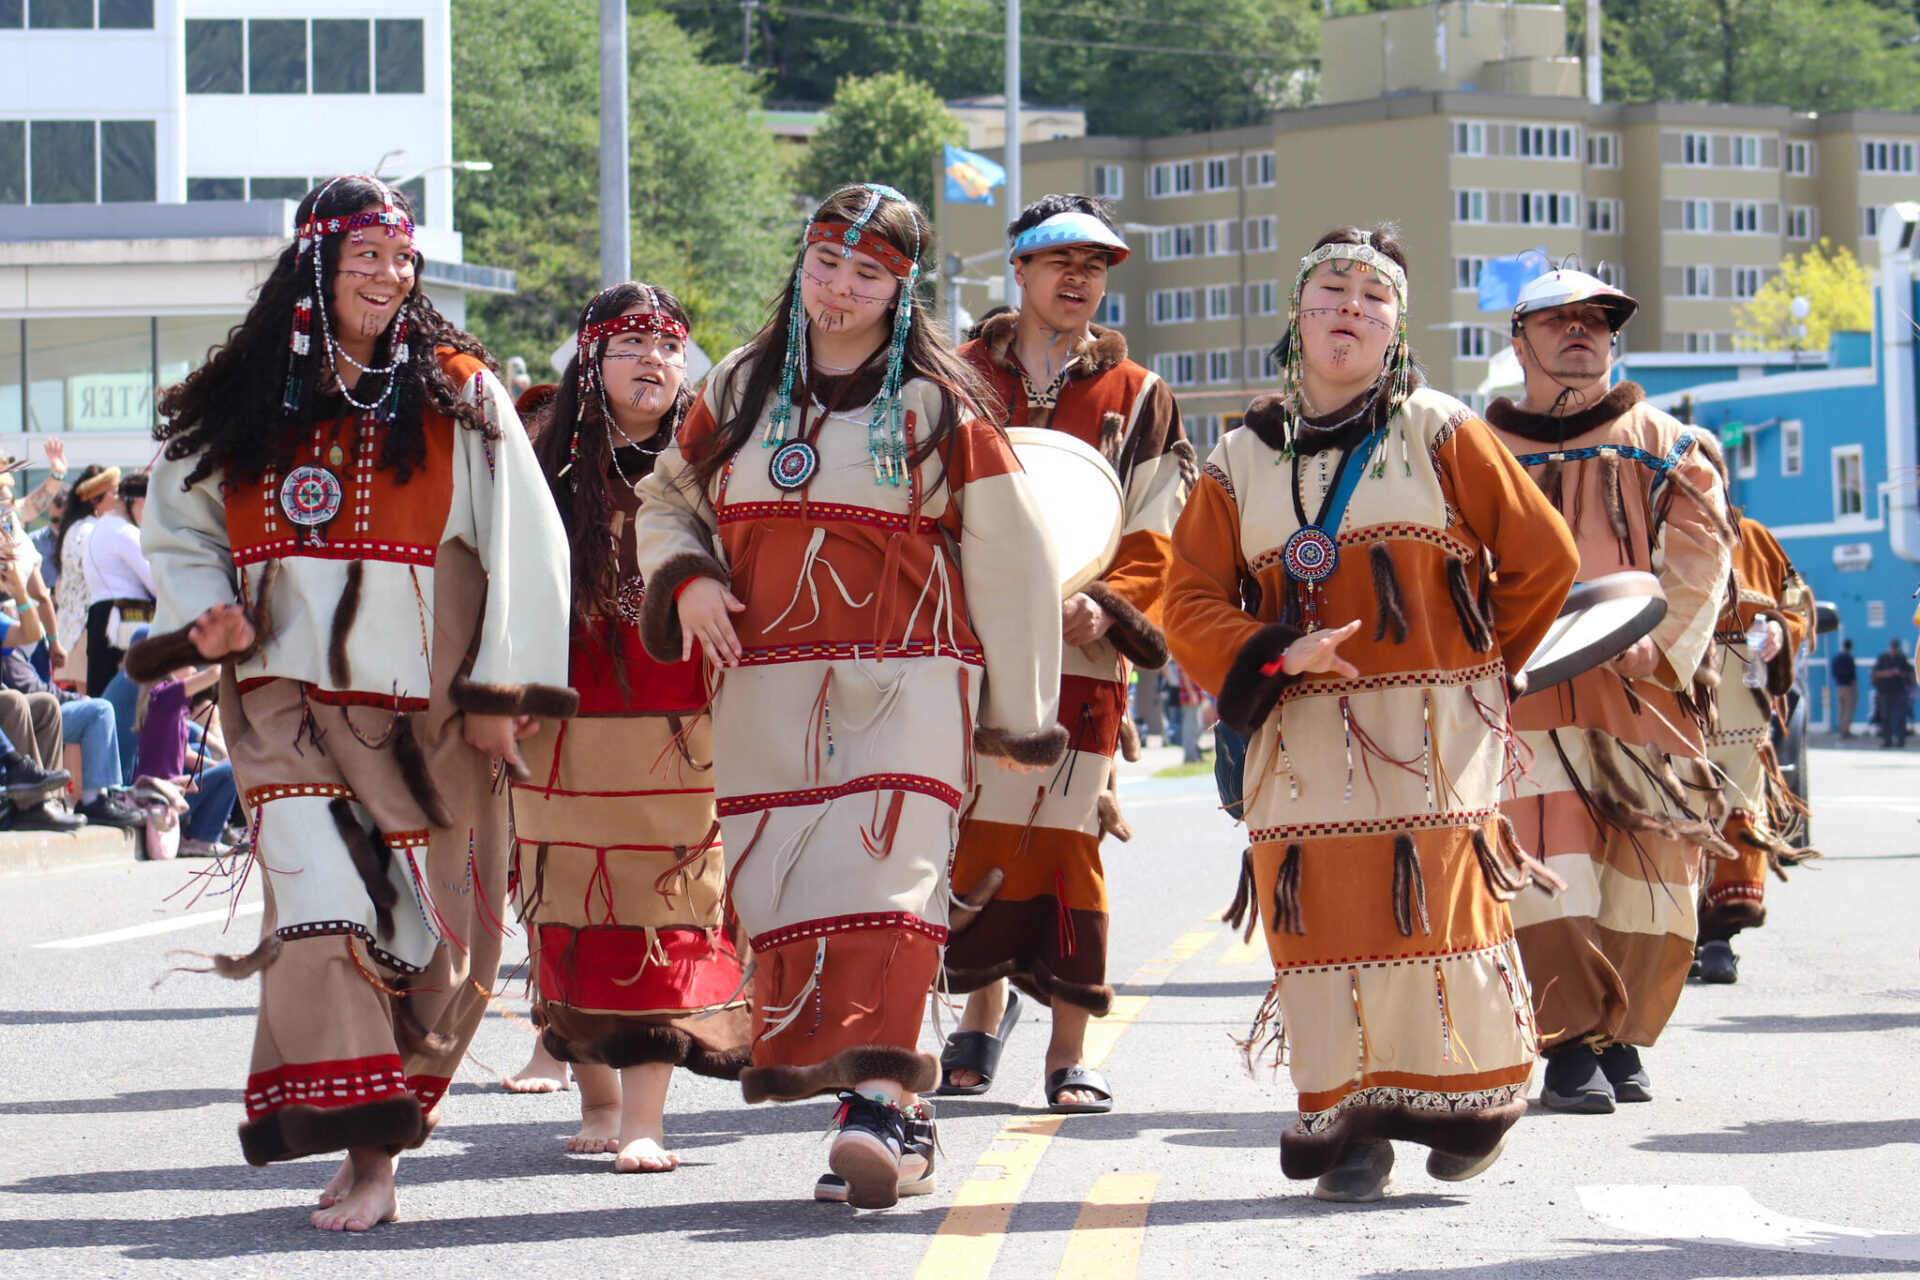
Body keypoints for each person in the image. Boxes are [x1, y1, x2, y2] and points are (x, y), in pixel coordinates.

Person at [129, 176, 574, 1233]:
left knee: (432, 944)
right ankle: (370, 1153)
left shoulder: (460, 391)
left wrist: (501, 692)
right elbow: (181, 529)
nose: (388, 274)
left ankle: (382, 1134)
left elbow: (528, 542)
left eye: (401, 257)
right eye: (365, 255)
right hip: (283, 705)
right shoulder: (237, 397)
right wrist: (209, 614)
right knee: (329, 912)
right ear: (313, 267)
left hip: (427, 717)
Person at [634, 183, 1064, 1210]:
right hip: (767, 690)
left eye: (867, 273)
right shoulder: (737, 387)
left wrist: (1018, 708)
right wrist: (689, 579)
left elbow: (1015, 557)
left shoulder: (937, 405)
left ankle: (871, 1102)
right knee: (791, 897)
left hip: (907, 681)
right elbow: (666, 500)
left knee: (889, 890)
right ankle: (903, 1113)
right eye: (827, 264)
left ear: (900, 287)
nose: (839, 289)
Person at [1164, 226, 1579, 1202]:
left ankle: (1468, 1099)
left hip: (1434, 733)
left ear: (1396, 330)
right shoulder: (1239, 455)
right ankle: (1349, 1126)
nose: (1350, 307)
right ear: (1298, 318)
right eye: (1331, 291)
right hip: (1298, 736)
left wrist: (1478, 669)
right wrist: (1273, 650)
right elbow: (1186, 599)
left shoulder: (1441, 428)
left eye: (1373, 297)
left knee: (1439, 917)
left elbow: (1543, 557)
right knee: (1323, 925)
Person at [942, 195, 1191, 1113]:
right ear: (1020, 269)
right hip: (967, 645)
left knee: (1068, 840)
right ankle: (977, 1016)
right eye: (1060, 261)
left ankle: (1071, 1042)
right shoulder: (953, 376)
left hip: (1085, 655)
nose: (1079, 277)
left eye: (1095, 263)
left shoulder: (1139, 396)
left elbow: (1161, 519)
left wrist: (1112, 604)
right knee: (973, 830)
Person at [509, 282, 750, 1174]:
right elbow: (502, 584)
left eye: (668, 346)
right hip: (563, 714)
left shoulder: (717, 456)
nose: (653, 360)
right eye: (630, 345)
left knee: (672, 905)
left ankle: (648, 1115)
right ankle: (600, 1095)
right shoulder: (540, 464)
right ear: (590, 360)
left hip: (683, 715)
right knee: (568, 908)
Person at [1483, 268, 1734, 1115]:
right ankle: (1568, 1047)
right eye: (1558, 320)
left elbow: (1700, 554)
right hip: (1527, 696)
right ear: (1519, 341)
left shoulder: (1669, 442)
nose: (1580, 331)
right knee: (1553, 867)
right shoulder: (1477, 451)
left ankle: (1622, 1034)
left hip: (1644, 694)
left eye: (1597, 319)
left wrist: (1656, 644)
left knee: (1648, 871)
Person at [1691, 514, 1816, 984]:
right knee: (1674, 809)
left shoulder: (1757, 538)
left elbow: (1795, 605)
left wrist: (1783, 633)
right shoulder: (1648, 525)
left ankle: (1721, 935)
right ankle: (1679, 936)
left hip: (1741, 703)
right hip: (1670, 693)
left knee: (1737, 808)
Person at [81, 471, 153, 696]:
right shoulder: (126, 532)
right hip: (126, 622)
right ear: (139, 501)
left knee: (102, 694)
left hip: (99, 618)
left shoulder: (97, 529)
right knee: (130, 697)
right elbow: (156, 582)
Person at [55, 465, 114, 688]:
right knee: (87, 703)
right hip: (84, 626)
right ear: (95, 498)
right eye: (113, 492)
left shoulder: (76, 527)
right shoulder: (89, 531)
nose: (118, 497)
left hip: (74, 625)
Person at [1872, 638, 1914, 747]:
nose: (1893, 650)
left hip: (1899, 691)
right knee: (1885, 717)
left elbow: (1908, 673)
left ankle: (1900, 740)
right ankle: (1887, 740)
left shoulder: (1901, 659)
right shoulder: (1883, 658)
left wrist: (1899, 673)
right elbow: (1876, 672)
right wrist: (1887, 673)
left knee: (1900, 717)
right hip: (1885, 692)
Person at [1832, 638, 1858, 738]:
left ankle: (1841, 729)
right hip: (1848, 686)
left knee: (1841, 709)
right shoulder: (1849, 658)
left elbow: (1834, 672)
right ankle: (1845, 730)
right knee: (1848, 709)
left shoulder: (1837, 658)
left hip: (1839, 686)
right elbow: (1852, 674)